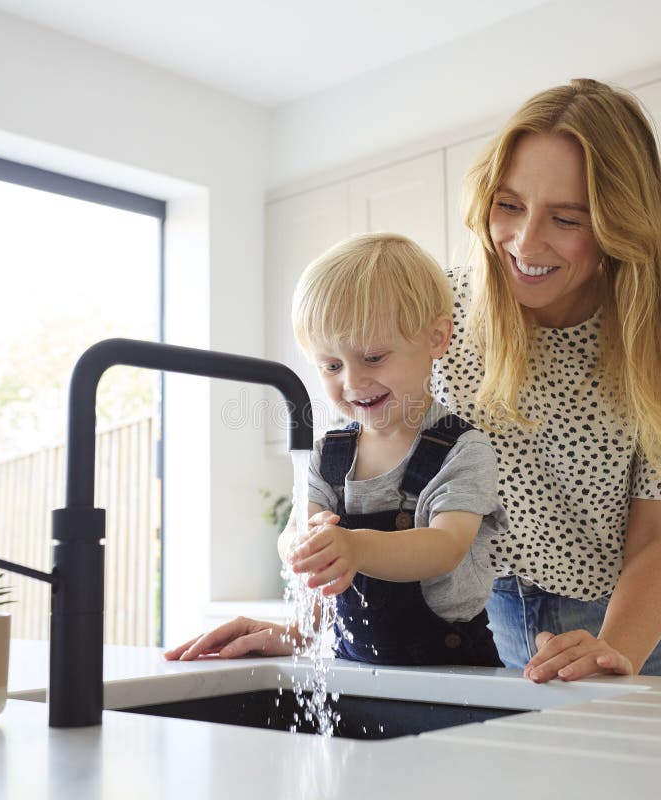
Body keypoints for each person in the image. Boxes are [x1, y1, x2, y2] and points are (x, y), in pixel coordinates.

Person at [431, 77, 661, 682]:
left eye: (566, 218)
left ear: (618, 224)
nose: (525, 242)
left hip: (637, 624)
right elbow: (376, 482)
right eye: (509, 205)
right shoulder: (440, 318)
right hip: (487, 618)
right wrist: (314, 615)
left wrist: (616, 650)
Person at [165, 233, 509, 667]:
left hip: (455, 672)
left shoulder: (463, 449)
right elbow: (299, 530)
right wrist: (297, 552)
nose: (352, 382)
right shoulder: (330, 454)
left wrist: (356, 547)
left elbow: (445, 546)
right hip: (353, 666)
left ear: (436, 338)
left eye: (373, 357)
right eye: (331, 365)